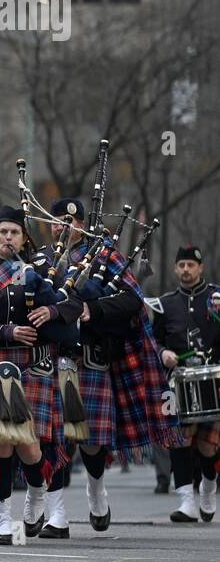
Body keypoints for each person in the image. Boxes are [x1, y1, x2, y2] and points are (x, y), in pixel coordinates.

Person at [32, 198, 179, 538]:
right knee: (54, 437)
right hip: (52, 358)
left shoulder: (104, 256)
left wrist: (90, 310)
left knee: (91, 440)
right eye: (55, 222)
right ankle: (57, 515)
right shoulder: (42, 259)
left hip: (91, 356)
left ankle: (96, 489)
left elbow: (131, 300)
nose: (61, 228)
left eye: (68, 222)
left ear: (81, 224)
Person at [0, 207, 64, 544]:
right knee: (1, 442)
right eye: (3, 232)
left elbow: (67, 314)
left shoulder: (42, 273)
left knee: (30, 446)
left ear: (25, 239)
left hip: (34, 366)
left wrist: (48, 305)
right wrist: (7, 332)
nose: (8, 238)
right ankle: (2, 521)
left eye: (15, 233)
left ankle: (36, 494)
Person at [151, 245, 220, 523]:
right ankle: (186, 501)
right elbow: (153, 341)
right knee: (178, 440)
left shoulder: (216, 298)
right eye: (181, 265)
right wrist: (162, 353)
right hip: (176, 381)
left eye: (191, 265)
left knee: (207, 445)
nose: (186, 270)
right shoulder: (166, 303)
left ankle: (208, 486)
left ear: (200, 268)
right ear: (175, 268)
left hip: (213, 378)